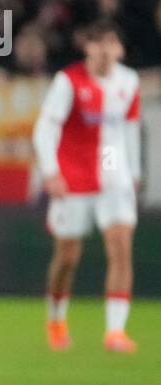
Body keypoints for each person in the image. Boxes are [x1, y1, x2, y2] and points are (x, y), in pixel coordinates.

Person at [33, 21, 141, 353]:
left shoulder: (129, 81)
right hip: (74, 180)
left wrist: (134, 172)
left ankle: (115, 332)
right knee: (67, 257)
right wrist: (51, 173)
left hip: (114, 178)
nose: (106, 50)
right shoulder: (68, 81)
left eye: (112, 43)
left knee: (120, 248)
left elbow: (130, 129)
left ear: (119, 49)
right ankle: (56, 319)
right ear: (87, 48)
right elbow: (45, 129)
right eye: (98, 43)